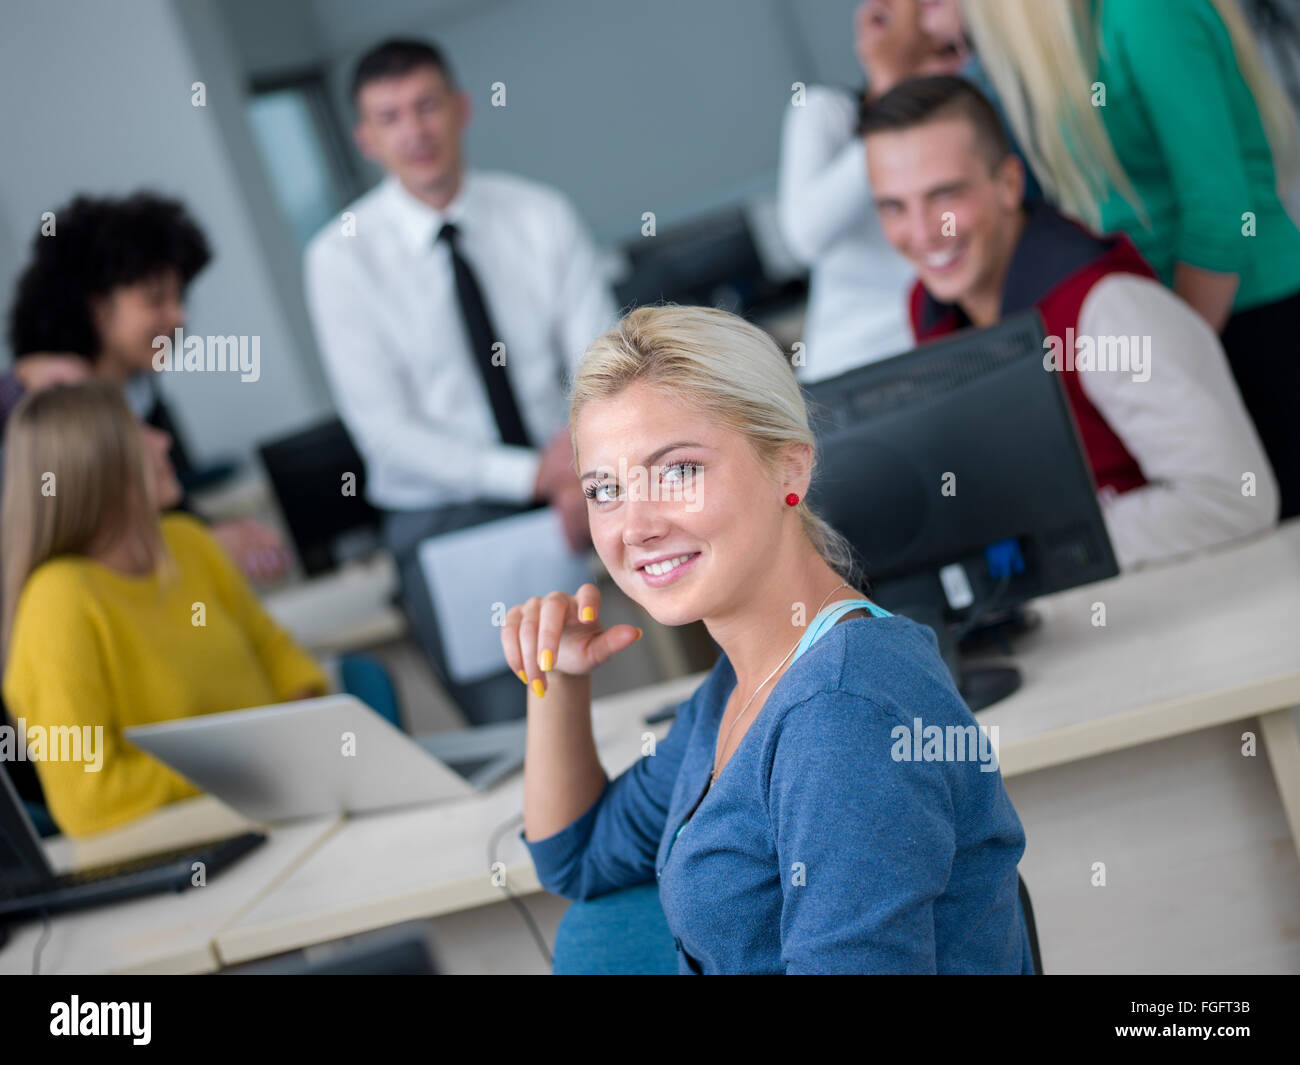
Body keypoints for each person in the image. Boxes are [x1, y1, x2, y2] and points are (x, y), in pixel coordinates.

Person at [502, 305, 1031, 974]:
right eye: (605, 489)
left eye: (679, 470)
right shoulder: (740, 684)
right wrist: (559, 678)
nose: (634, 526)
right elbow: (575, 857)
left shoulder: (841, 713)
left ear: (791, 468)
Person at [304, 38, 618, 726]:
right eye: (390, 117)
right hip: (452, 519)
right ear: (365, 139)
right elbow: (385, 434)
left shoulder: (540, 214)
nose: (414, 131)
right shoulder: (339, 258)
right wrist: (539, 475)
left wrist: (585, 468)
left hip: (584, 481)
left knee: (635, 688)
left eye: (427, 106)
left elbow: (607, 361)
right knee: (524, 726)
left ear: (461, 109)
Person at [860, 74, 1279, 570]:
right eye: (894, 207)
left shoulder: (1110, 309)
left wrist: (1038, 547)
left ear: (1009, 185)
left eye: (945, 195)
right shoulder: (928, 307)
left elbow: (1233, 499)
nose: (924, 233)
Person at [962, 0, 1300, 518]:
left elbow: (1221, 213)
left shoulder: (1147, 12)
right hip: (1181, 325)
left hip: (1247, 318)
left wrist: (1174, 361)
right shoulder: (1060, 41)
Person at [0, 382, 329, 838]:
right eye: (139, 432)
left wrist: (307, 739)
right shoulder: (58, 601)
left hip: (291, 810)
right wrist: (251, 763)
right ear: (94, 466)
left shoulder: (189, 542)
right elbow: (90, 799)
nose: (163, 442)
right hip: (203, 849)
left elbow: (276, 654)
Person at [3, 191, 290, 582]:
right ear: (98, 310)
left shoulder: (143, 395)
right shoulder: (42, 407)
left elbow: (171, 510)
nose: (179, 317)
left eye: (180, 298)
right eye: (156, 300)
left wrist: (218, 536)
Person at [777, 0, 971, 382]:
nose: (870, 9)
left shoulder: (964, 110)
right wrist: (892, 89)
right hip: (845, 374)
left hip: (948, 360)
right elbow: (806, 235)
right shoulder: (827, 112)